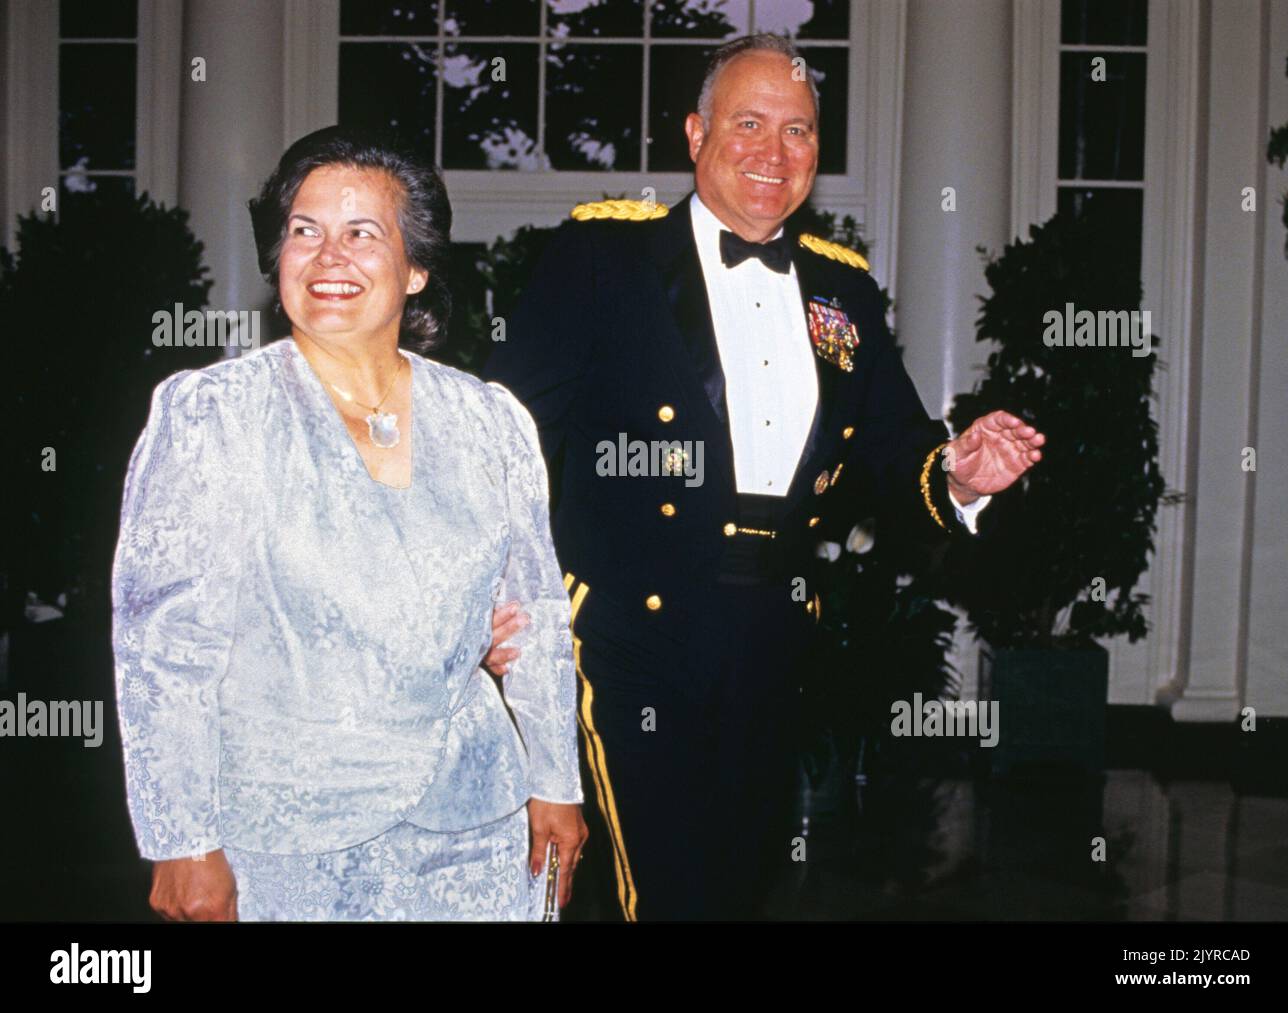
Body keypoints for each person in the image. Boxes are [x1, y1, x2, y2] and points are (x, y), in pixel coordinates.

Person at [482, 34, 1046, 920]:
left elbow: (898, 453)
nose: (773, 153)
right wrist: (487, 597)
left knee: (739, 882)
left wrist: (961, 474)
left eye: (798, 131)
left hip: (773, 636)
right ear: (696, 134)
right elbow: (503, 437)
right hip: (631, 633)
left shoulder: (842, 289)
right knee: (658, 887)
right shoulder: (603, 259)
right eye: (748, 123)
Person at [111, 126, 586, 921]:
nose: (329, 256)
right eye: (305, 232)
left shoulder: (490, 420)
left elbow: (535, 616)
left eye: (363, 233)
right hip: (285, 847)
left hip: (476, 830)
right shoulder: (212, 417)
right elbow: (165, 652)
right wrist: (181, 838)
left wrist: (555, 781)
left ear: (417, 266)